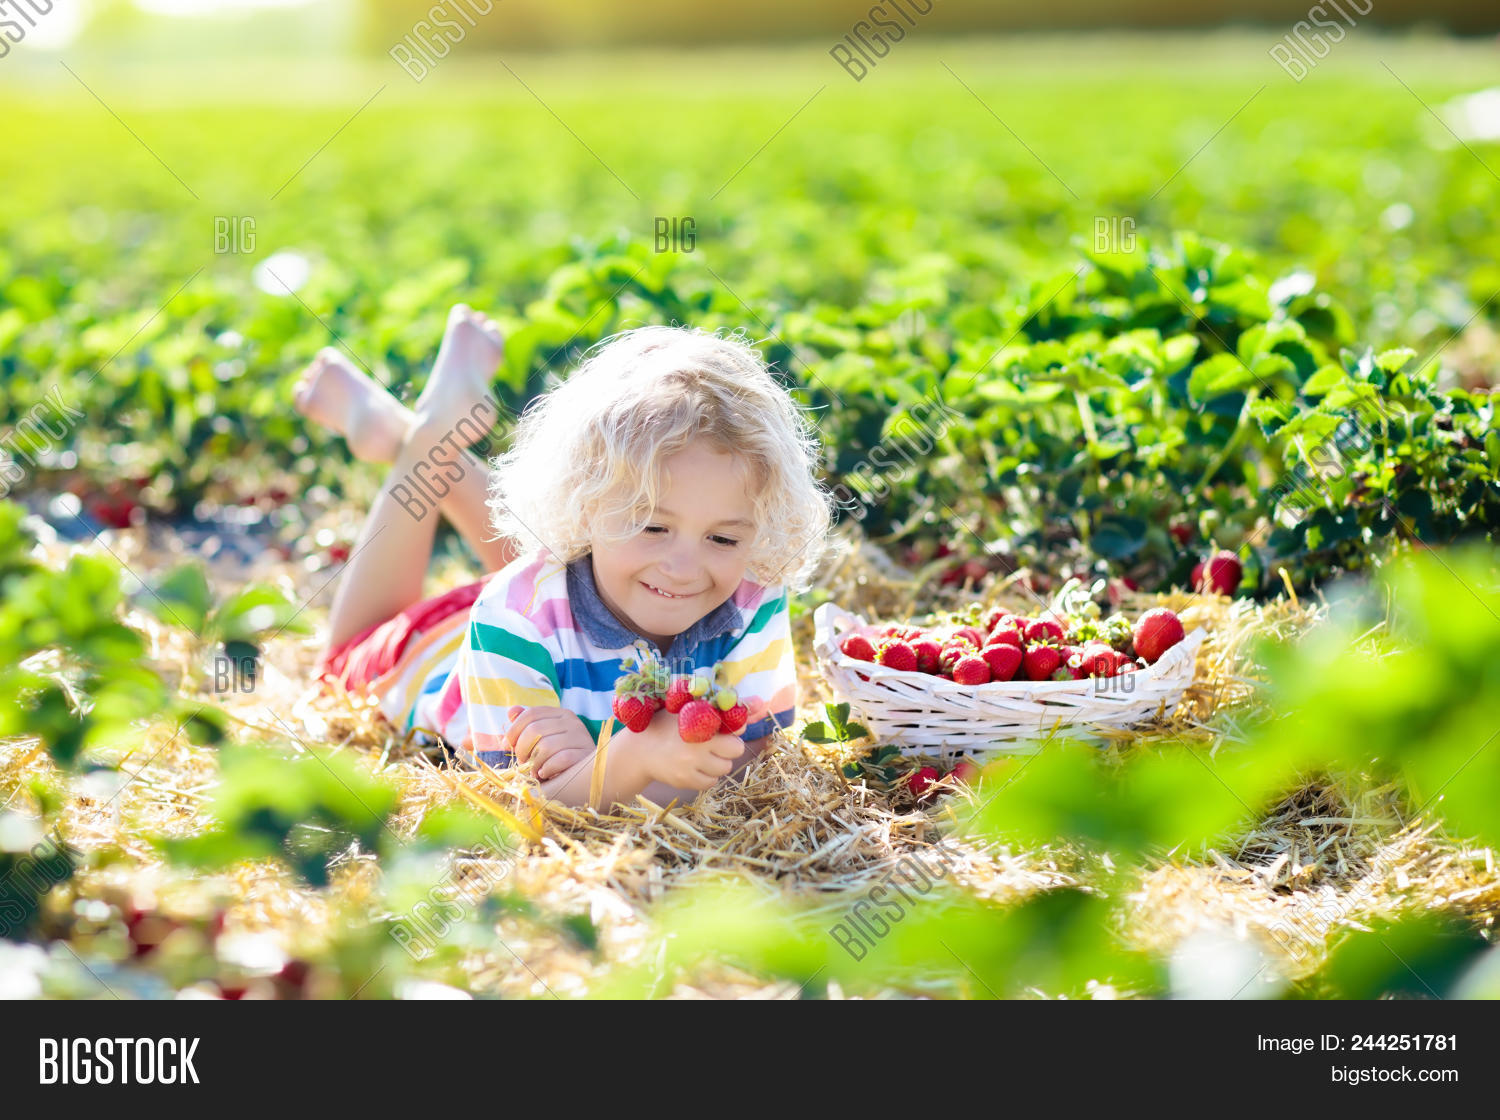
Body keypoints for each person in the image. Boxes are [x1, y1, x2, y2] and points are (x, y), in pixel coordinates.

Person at [294, 306, 832, 809]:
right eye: (653, 525)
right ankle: (427, 439)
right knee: (341, 661)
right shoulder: (513, 613)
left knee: (595, 567)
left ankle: (408, 434)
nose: (685, 567)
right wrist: (630, 759)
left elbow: (759, 757)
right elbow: (512, 804)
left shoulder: (751, 590)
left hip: (568, 605)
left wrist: (602, 767)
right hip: (438, 655)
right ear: (584, 499)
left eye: (722, 539)